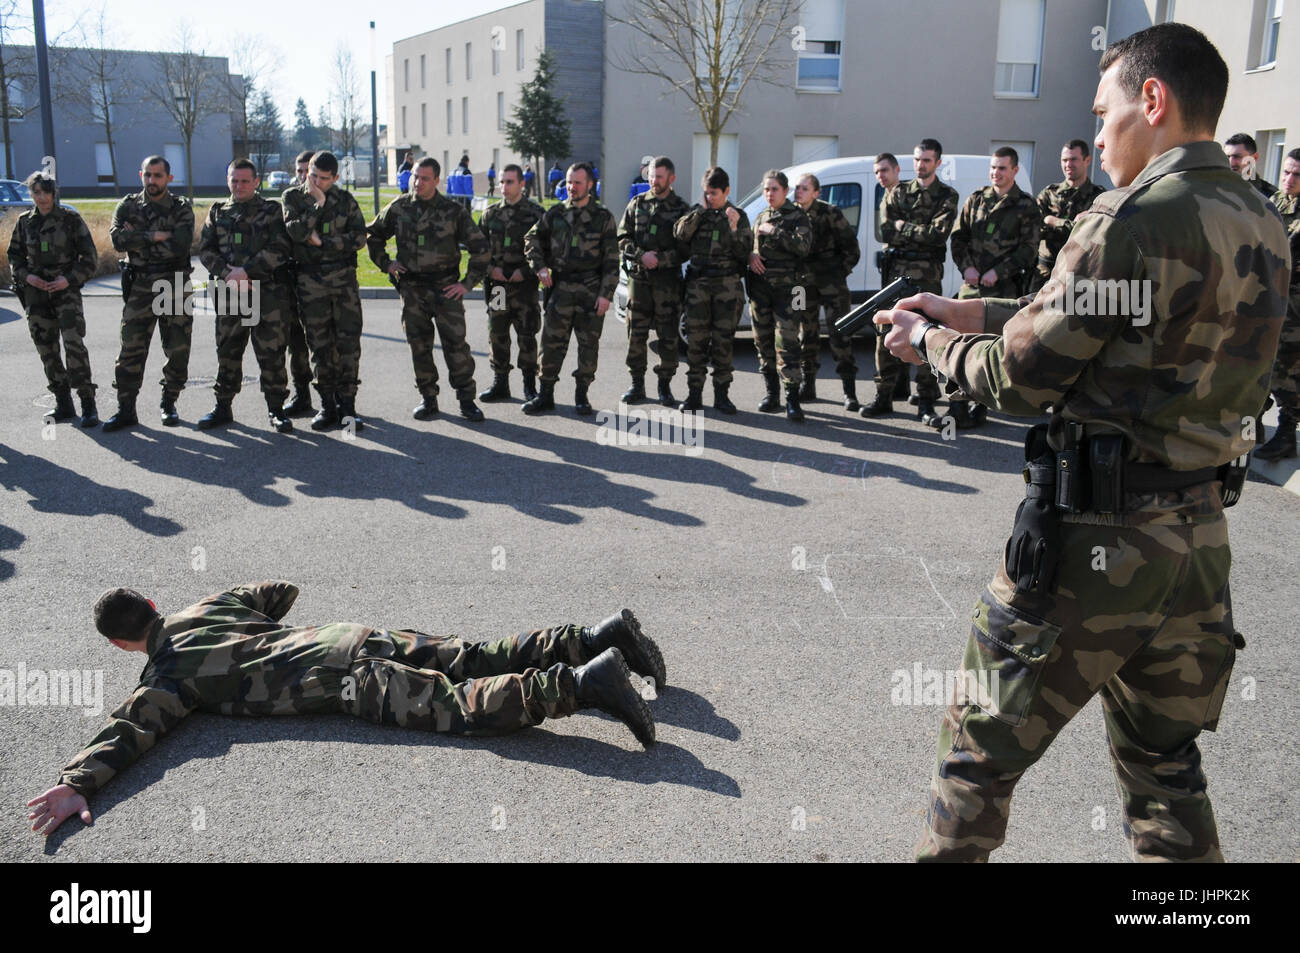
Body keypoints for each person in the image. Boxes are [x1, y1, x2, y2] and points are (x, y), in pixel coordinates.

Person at [876, 22, 1289, 862]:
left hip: (1097, 547)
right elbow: (1115, 324)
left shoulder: (1130, 217)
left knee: (976, 762)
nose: (1096, 135)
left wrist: (932, 345)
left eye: (1104, 114)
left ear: (1154, 100)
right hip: (1199, 545)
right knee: (1165, 769)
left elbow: (1022, 377)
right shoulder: (1264, 221)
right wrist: (972, 311)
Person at [26, 580, 667, 836]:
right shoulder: (203, 608)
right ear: (153, 605)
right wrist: (248, 621)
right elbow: (277, 591)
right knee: (473, 656)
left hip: (344, 677)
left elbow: (129, 730)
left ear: (119, 641)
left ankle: (585, 683)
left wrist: (74, 782)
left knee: (464, 705)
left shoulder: (166, 676)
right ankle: (594, 634)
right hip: (351, 635)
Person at [367, 156, 490, 422]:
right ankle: (428, 398)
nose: (417, 182)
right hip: (412, 289)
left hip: (446, 289)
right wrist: (386, 264)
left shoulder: (453, 211)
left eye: (424, 178)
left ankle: (466, 400)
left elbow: (480, 248)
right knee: (419, 346)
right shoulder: (400, 207)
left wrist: (467, 284)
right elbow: (374, 234)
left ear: (437, 180)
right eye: (414, 176)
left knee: (456, 347)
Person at [196, 158, 296, 433]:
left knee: (271, 353)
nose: (238, 186)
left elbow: (281, 246)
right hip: (229, 294)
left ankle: (276, 409)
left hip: (266, 293)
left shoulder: (271, 210)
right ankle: (223, 406)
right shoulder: (218, 212)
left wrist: (247, 271)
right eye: (233, 180)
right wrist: (228, 274)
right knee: (227, 351)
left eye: (244, 181)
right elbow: (206, 250)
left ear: (256, 182)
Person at [946, 145, 1039, 429]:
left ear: (1015, 170)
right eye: (993, 167)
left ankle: (982, 405)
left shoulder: (1025, 206)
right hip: (971, 288)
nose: (995, 173)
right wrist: (968, 268)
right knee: (959, 344)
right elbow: (958, 238)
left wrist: (998, 272)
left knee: (993, 348)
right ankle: (957, 407)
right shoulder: (976, 200)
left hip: (1003, 291)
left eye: (1002, 168)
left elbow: (1029, 249)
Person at [863, 140, 955, 423]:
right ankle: (884, 395)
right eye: (917, 160)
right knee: (886, 335)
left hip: (928, 279)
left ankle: (926, 400)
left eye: (927, 160)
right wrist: (916, 231)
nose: (921, 165)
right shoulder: (898, 192)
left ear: (937, 162)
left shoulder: (947, 195)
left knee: (926, 337)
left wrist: (905, 227)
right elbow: (885, 230)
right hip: (896, 277)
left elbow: (938, 234)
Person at [101, 155, 196, 431]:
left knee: (177, 348)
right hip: (140, 285)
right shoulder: (128, 205)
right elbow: (117, 241)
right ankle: (126, 409)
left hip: (173, 284)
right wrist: (155, 235)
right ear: (140, 175)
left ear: (169, 178)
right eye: (147, 175)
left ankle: (169, 403)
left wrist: (138, 236)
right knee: (130, 348)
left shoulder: (180, 208)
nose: (152, 181)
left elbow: (180, 245)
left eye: (157, 175)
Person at [282, 150, 370, 431]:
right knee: (319, 346)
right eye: (313, 176)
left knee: (348, 346)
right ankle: (327, 405)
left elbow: (359, 237)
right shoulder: (293, 198)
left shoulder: (346, 201)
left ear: (335, 177)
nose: (317, 182)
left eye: (324, 179)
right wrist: (317, 203)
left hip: (343, 283)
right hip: (310, 285)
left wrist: (324, 243)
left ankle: (348, 407)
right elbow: (295, 232)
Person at [522, 162, 618, 415]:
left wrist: (606, 295)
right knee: (551, 344)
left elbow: (611, 261)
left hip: (590, 288)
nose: (571, 187)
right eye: (568, 182)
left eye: (577, 182)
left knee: (588, 346)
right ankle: (545, 395)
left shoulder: (603, 218)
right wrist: (540, 267)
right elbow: (531, 238)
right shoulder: (555, 214)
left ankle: (582, 395)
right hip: (561, 287)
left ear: (590, 185)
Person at [6, 171, 100, 428]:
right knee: (46, 348)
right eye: (36, 192)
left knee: (74, 346)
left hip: (65, 292)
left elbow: (90, 259)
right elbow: (14, 257)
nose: (42, 197)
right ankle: (63, 403)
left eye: (46, 192)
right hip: (36, 295)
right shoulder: (25, 222)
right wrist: (28, 278)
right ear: (31, 194)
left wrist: (68, 280)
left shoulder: (70, 220)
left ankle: (88, 403)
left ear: (53, 192)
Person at [674, 166, 752, 413]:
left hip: (727, 288)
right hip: (698, 286)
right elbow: (680, 234)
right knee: (696, 343)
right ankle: (694, 395)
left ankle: (722, 396)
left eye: (714, 193)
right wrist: (699, 210)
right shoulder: (698, 213)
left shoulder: (738, 215)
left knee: (723, 343)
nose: (710, 197)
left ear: (727, 191)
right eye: (706, 193)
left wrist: (734, 228)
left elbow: (745, 252)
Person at [618, 156, 689, 407]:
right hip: (639, 282)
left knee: (667, 336)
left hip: (667, 284)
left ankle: (665, 385)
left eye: (658, 177)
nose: (653, 181)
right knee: (635, 335)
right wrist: (641, 256)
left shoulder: (682, 208)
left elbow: (687, 248)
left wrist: (660, 259)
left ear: (671, 178)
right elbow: (622, 237)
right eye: (650, 176)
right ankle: (637, 384)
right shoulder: (637, 204)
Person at [477, 163, 546, 403]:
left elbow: (545, 250)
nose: (504, 187)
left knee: (527, 335)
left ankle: (529, 384)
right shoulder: (490, 214)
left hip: (523, 286)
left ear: (521, 184)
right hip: (497, 286)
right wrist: (490, 269)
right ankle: (500, 383)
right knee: (498, 333)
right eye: (502, 182)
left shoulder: (536, 214)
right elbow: (478, 249)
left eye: (510, 182)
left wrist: (526, 272)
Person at [748, 170, 813, 422]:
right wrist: (751, 256)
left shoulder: (798, 216)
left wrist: (774, 232)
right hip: (761, 289)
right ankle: (771, 394)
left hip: (792, 290)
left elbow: (803, 247)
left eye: (774, 189)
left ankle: (792, 399)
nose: (769, 194)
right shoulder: (762, 216)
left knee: (788, 342)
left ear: (785, 191)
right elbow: (753, 248)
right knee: (762, 341)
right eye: (766, 189)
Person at [793, 172, 861, 410]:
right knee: (805, 334)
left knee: (840, 334)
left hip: (831, 283)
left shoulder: (830, 212)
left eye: (803, 188)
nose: (798, 192)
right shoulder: (791, 214)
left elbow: (852, 247)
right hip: (801, 286)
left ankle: (849, 391)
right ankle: (807, 385)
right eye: (797, 188)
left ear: (815, 192)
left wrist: (839, 274)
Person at [1256, 147, 1300, 461]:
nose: (1288, 179)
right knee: (1259, 366)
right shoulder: (1275, 204)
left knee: (1287, 371)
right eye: (1286, 172)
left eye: (1297, 175)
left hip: (1295, 308)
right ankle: (1254, 424)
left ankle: (1286, 434)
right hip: (1267, 300)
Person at [1028, 139, 1106, 295]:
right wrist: (1071, 223)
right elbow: (1035, 229)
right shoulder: (1049, 194)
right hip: (1046, 273)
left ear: (1087, 160)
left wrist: (1052, 221)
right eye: (1064, 160)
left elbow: (1095, 233)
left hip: (1080, 273)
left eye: (1073, 159)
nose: (1068, 164)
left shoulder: (1098, 197)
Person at [872, 152, 914, 405]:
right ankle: (899, 387)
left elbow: (900, 231)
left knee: (894, 327)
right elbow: (887, 231)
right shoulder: (887, 194)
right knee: (891, 327)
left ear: (897, 170)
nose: (881, 176)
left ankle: (892, 391)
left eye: (885, 170)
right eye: (877, 172)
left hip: (907, 271)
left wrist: (900, 229)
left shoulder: (905, 193)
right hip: (892, 268)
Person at [281, 150, 317, 418]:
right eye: (299, 170)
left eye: (309, 171)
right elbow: (295, 232)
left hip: (324, 280)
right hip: (294, 278)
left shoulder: (334, 197)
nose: (303, 176)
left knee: (328, 343)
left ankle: (336, 398)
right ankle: (301, 395)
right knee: (296, 342)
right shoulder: (290, 197)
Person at [1223, 133, 1277, 200]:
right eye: (1227, 157)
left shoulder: (1271, 196)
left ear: (1254, 158)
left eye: (1237, 156)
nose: (1231, 163)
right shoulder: (1212, 188)